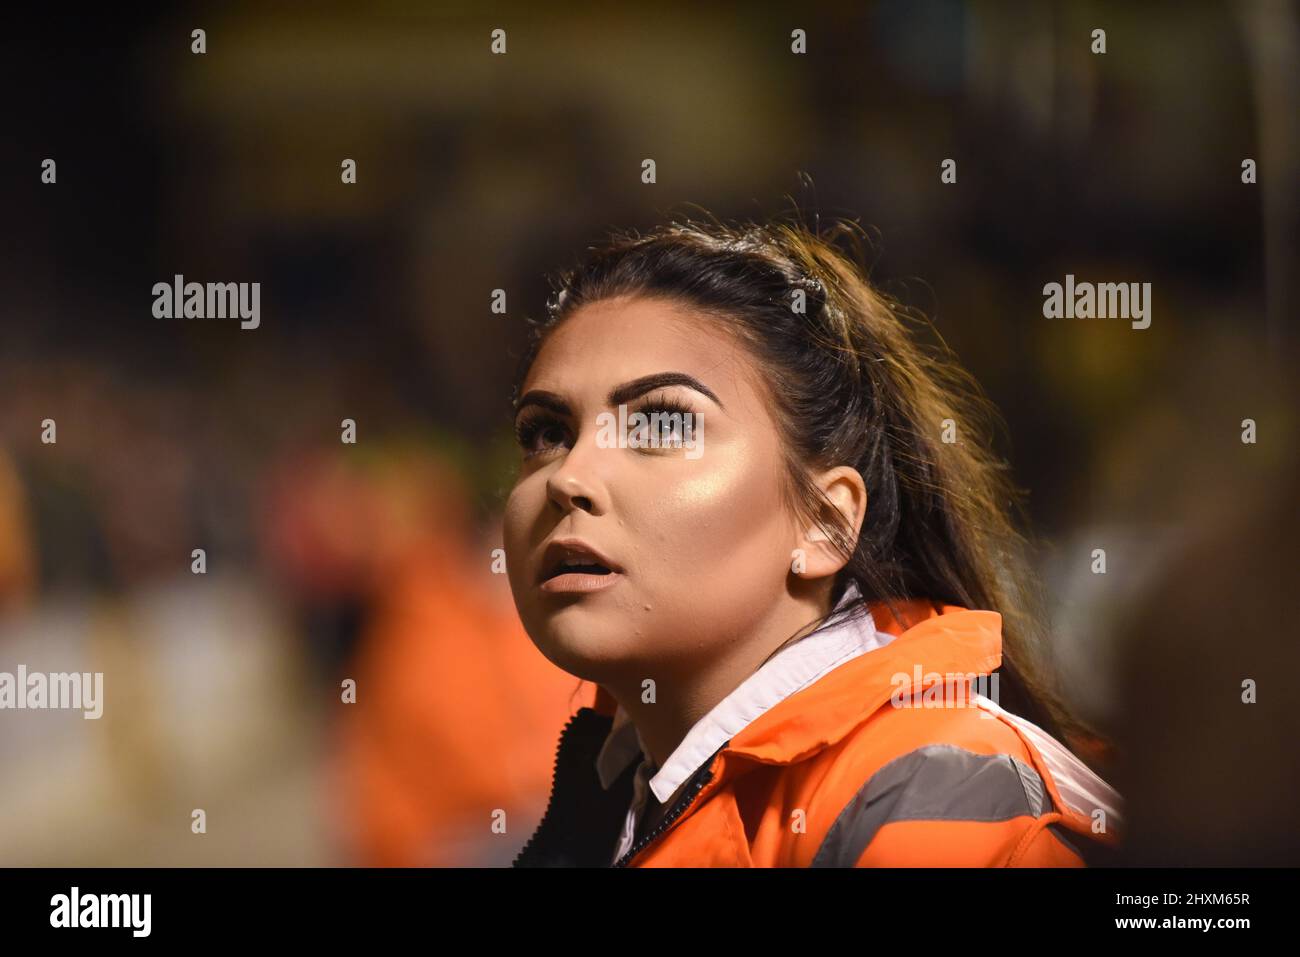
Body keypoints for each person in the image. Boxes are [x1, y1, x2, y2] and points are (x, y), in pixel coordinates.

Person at [502, 214, 1121, 867]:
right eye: (545, 432)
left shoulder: (942, 800)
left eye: (662, 423)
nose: (568, 476)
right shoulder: (612, 799)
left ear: (825, 522)